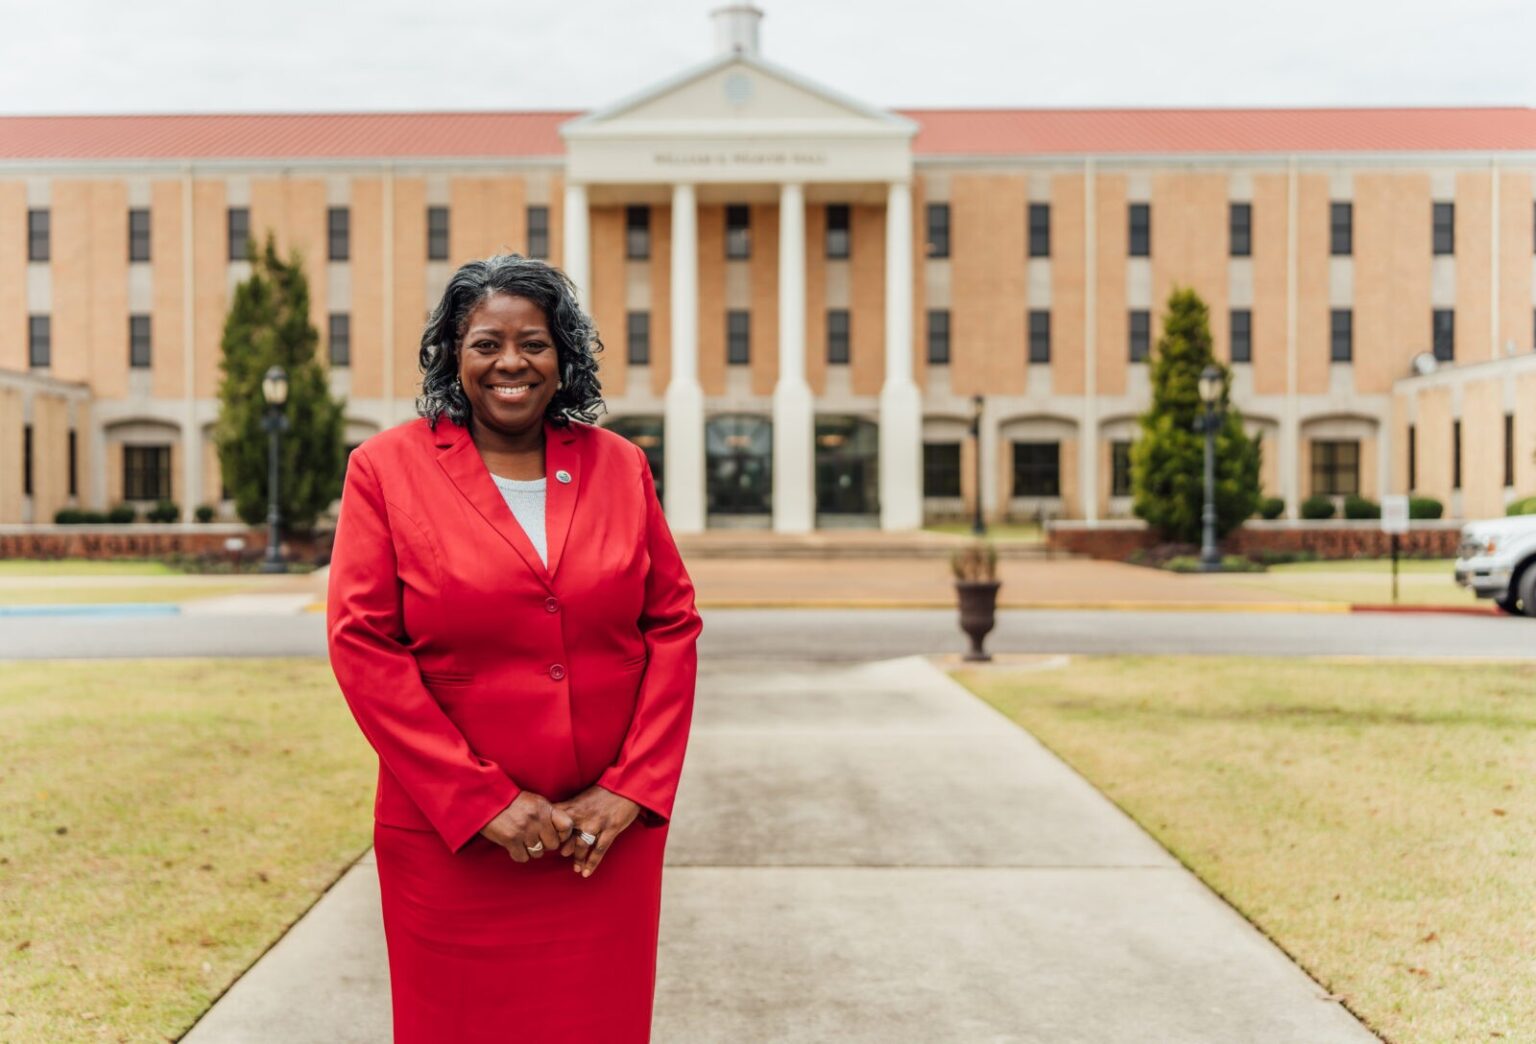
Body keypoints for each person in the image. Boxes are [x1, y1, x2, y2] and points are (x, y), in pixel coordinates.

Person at [326, 253, 701, 1043]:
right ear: (452, 356)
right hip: (454, 845)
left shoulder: (620, 466)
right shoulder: (385, 469)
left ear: (563, 357)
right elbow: (364, 644)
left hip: (600, 842)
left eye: (533, 342)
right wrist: (481, 800)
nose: (511, 363)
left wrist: (632, 788)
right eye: (486, 342)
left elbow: (671, 624)